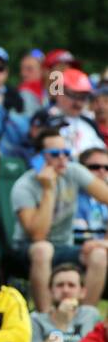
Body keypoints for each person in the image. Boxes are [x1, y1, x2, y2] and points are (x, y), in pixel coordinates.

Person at [13, 129, 108, 313]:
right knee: (43, 249)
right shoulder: (24, 186)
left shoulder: (72, 171)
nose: (63, 159)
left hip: (64, 246)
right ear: (38, 158)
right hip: (26, 249)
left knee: (99, 254)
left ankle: (83, 319)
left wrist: (103, 242)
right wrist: (48, 189)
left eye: (67, 153)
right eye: (55, 154)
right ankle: (47, 318)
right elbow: (38, 235)